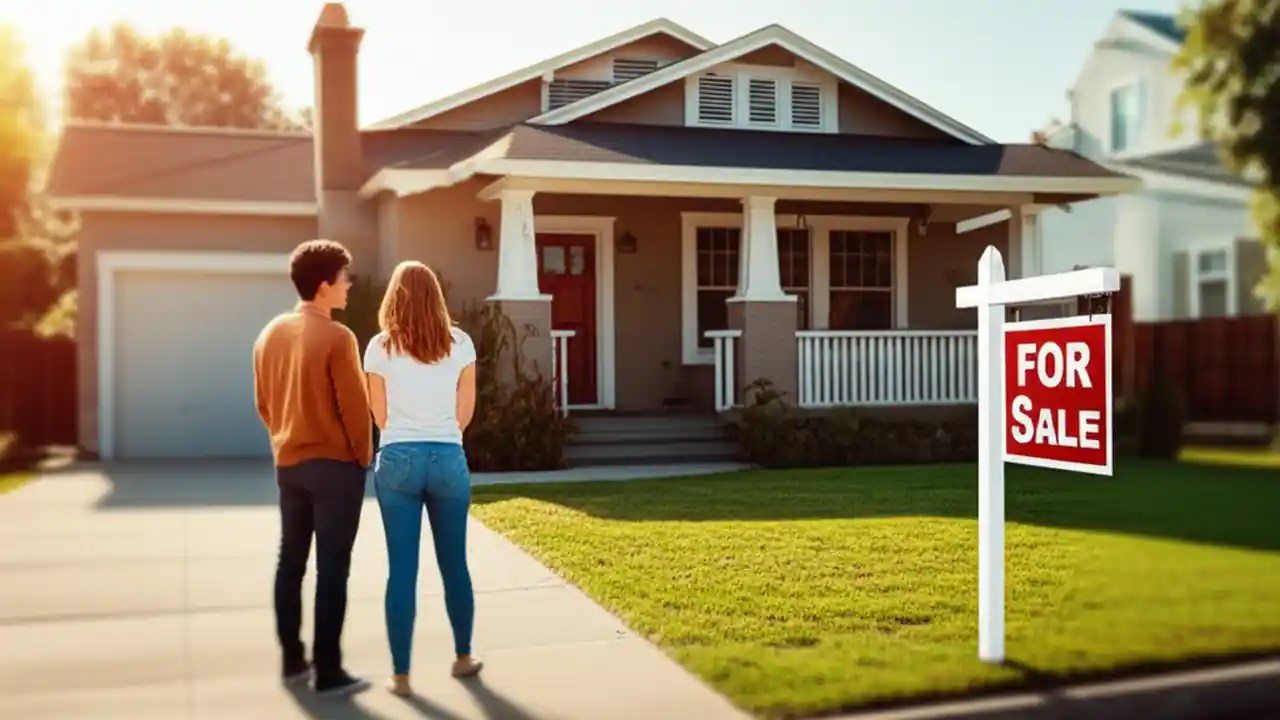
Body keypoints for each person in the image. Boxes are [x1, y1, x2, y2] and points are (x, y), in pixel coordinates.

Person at [252, 239, 373, 697]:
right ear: (325, 285)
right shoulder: (338, 337)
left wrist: (286, 435)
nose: (349, 285)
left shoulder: (269, 334)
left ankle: (291, 660)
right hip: (336, 468)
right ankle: (329, 671)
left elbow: (263, 403)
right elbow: (355, 411)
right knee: (332, 570)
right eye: (345, 277)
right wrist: (362, 457)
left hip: (289, 465)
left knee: (291, 563)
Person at [363, 260, 482, 697]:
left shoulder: (377, 347)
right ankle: (464, 656)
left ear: (394, 297)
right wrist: (445, 438)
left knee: (402, 571)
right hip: (449, 456)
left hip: (397, 459)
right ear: (436, 296)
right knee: (455, 565)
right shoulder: (462, 343)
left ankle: (400, 676)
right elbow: (465, 410)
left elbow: (380, 415)